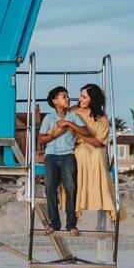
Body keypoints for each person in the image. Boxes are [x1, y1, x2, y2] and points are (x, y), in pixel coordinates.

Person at [70, 83, 124, 222]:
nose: (80, 99)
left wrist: (80, 134)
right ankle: (79, 206)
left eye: (84, 97)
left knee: (99, 156)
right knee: (82, 154)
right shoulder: (72, 112)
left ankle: (108, 205)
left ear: (92, 100)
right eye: (80, 95)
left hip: (96, 147)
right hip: (79, 146)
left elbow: (99, 142)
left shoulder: (102, 118)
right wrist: (82, 136)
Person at [37, 85, 86, 236]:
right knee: (50, 187)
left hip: (68, 156)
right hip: (51, 156)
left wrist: (69, 124)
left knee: (71, 187)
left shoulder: (73, 117)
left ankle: (71, 224)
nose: (67, 99)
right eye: (63, 97)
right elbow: (41, 139)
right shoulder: (49, 118)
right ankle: (54, 223)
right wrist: (55, 134)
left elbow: (85, 131)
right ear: (55, 101)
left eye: (67, 96)